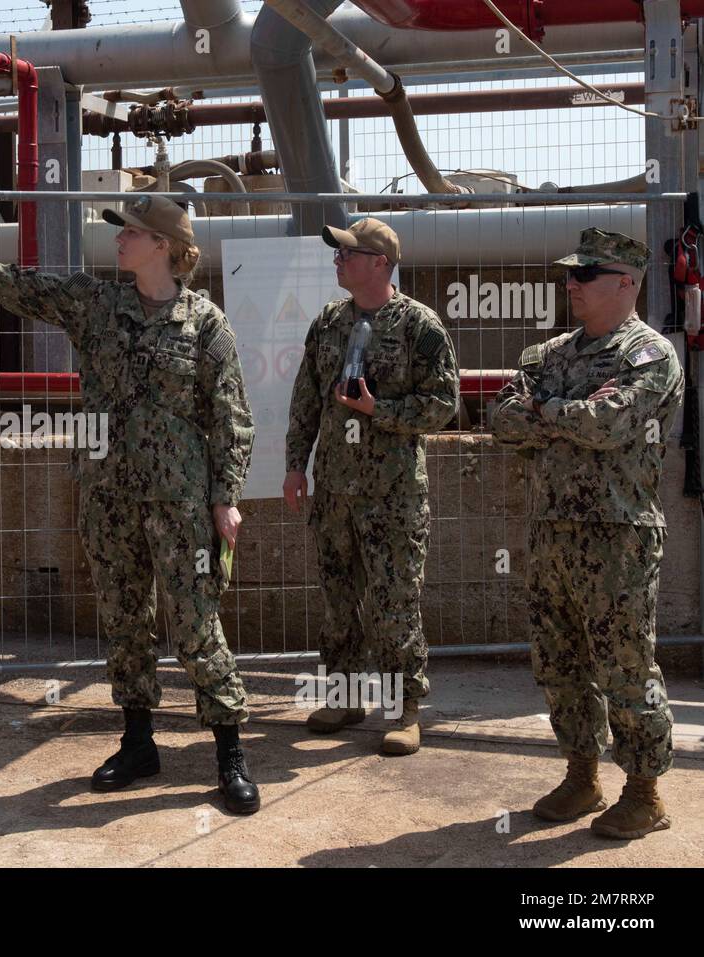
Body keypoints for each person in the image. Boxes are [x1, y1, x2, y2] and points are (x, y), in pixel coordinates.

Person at [0, 194, 261, 813]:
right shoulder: (96, 303)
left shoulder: (206, 323)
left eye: (129, 232)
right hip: (109, 498)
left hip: (180, 502)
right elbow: (14, 285)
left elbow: (232, 417)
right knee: (125, 620)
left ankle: (229, 754)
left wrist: (224, 498)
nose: (118, 239)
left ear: (162, 245)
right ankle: (138, 744)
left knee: (195, 624)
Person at [491, 227, 683, 839]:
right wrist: (563, 412)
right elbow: (501, 421)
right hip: (552, 533)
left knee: (625, 666)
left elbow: (611, 423)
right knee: (559, 662)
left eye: (585, 275)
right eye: (570, 274)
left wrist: (546, 411)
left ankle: (645, 791)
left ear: (626, 282)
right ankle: (582, 775)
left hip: (617, 538)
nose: (570, 284)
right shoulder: (549, 355)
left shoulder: (649, 356)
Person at [283, 218, 459, 755]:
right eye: (337, 254)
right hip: (336, 488)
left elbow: (443, 404)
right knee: (338, 600)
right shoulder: (329, 323)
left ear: (380, 263)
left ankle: (403, 710)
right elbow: (305, 398)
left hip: (392, 494)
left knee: (394, 603)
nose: (337, 261)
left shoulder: (419, 326)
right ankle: (345, 696)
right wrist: (296, 465)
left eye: (347, 253)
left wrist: (378, 410)